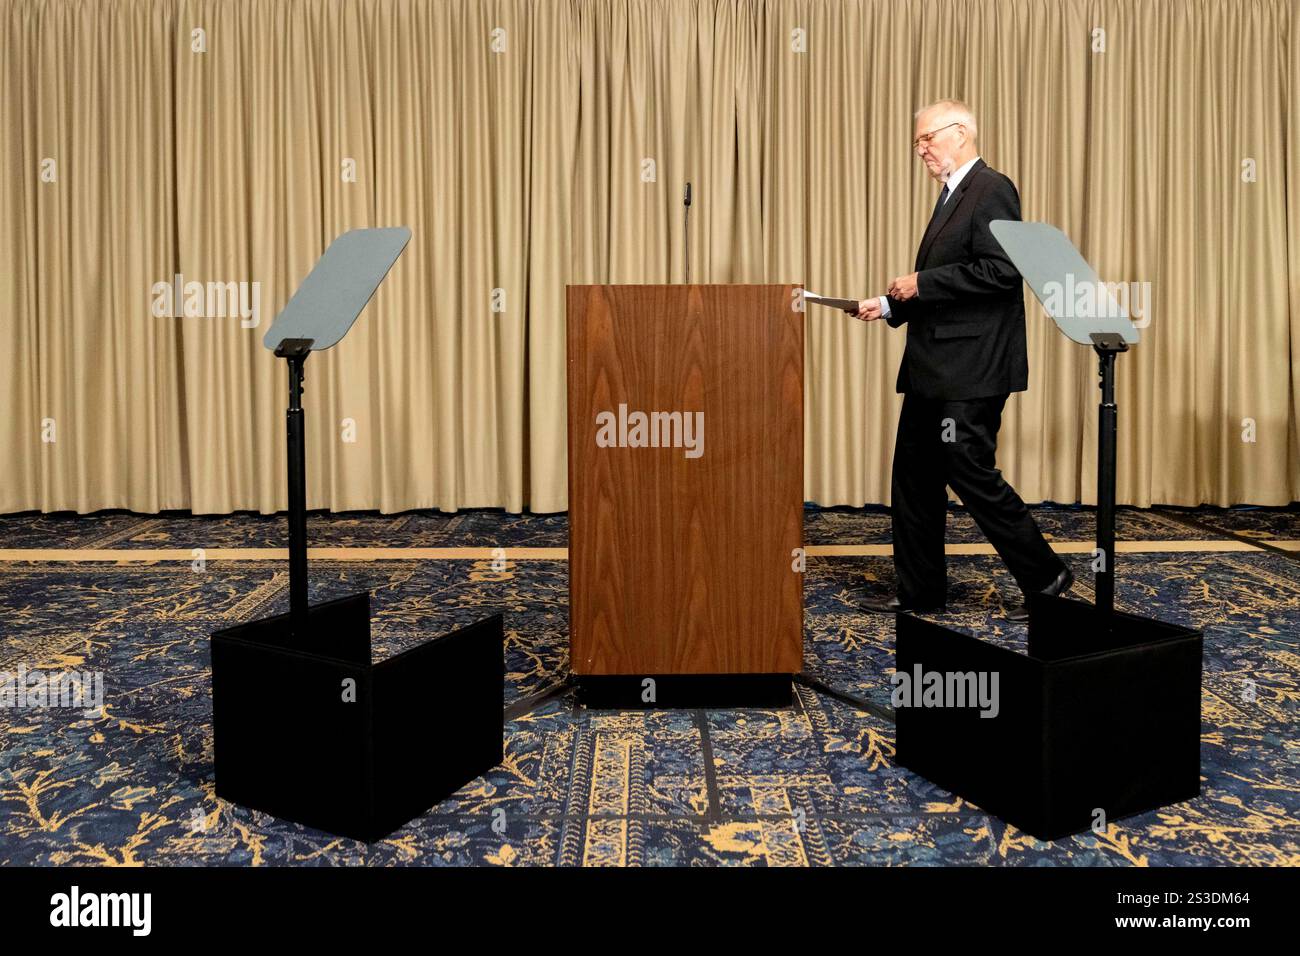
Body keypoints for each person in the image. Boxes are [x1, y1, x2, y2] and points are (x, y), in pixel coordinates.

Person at [856, 99, 1071, 622]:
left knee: (966, 468)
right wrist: (888, 304)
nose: (921, 149)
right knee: (913, 477)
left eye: (928, 137)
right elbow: (950, 283)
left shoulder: (991, 187)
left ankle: (1046, 574)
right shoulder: (951, 196)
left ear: (962, 133)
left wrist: (921, 282)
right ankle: (921, 590)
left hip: (973, 370)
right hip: (933, 368)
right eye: (918, 142)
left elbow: (1001, 272)